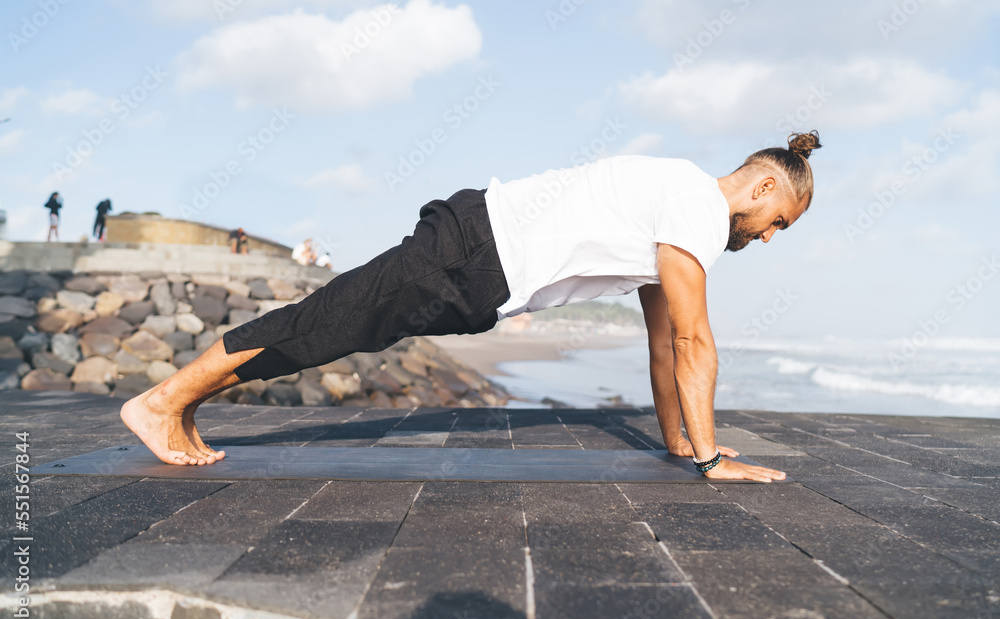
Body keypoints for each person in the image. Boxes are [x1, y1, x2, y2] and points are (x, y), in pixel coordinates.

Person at [121, 131, 822, 482]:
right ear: (762, 187)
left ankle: (179, 404)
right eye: (779, 222)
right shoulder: (698, 208)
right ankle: (160, 402)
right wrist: (709, 462)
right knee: (328, 322)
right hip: (472, 251)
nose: (767, 237)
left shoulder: (679, 202)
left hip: (477, 259)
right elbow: (697, 343)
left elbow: (666, 340)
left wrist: (681, 442)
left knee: (335, 326)